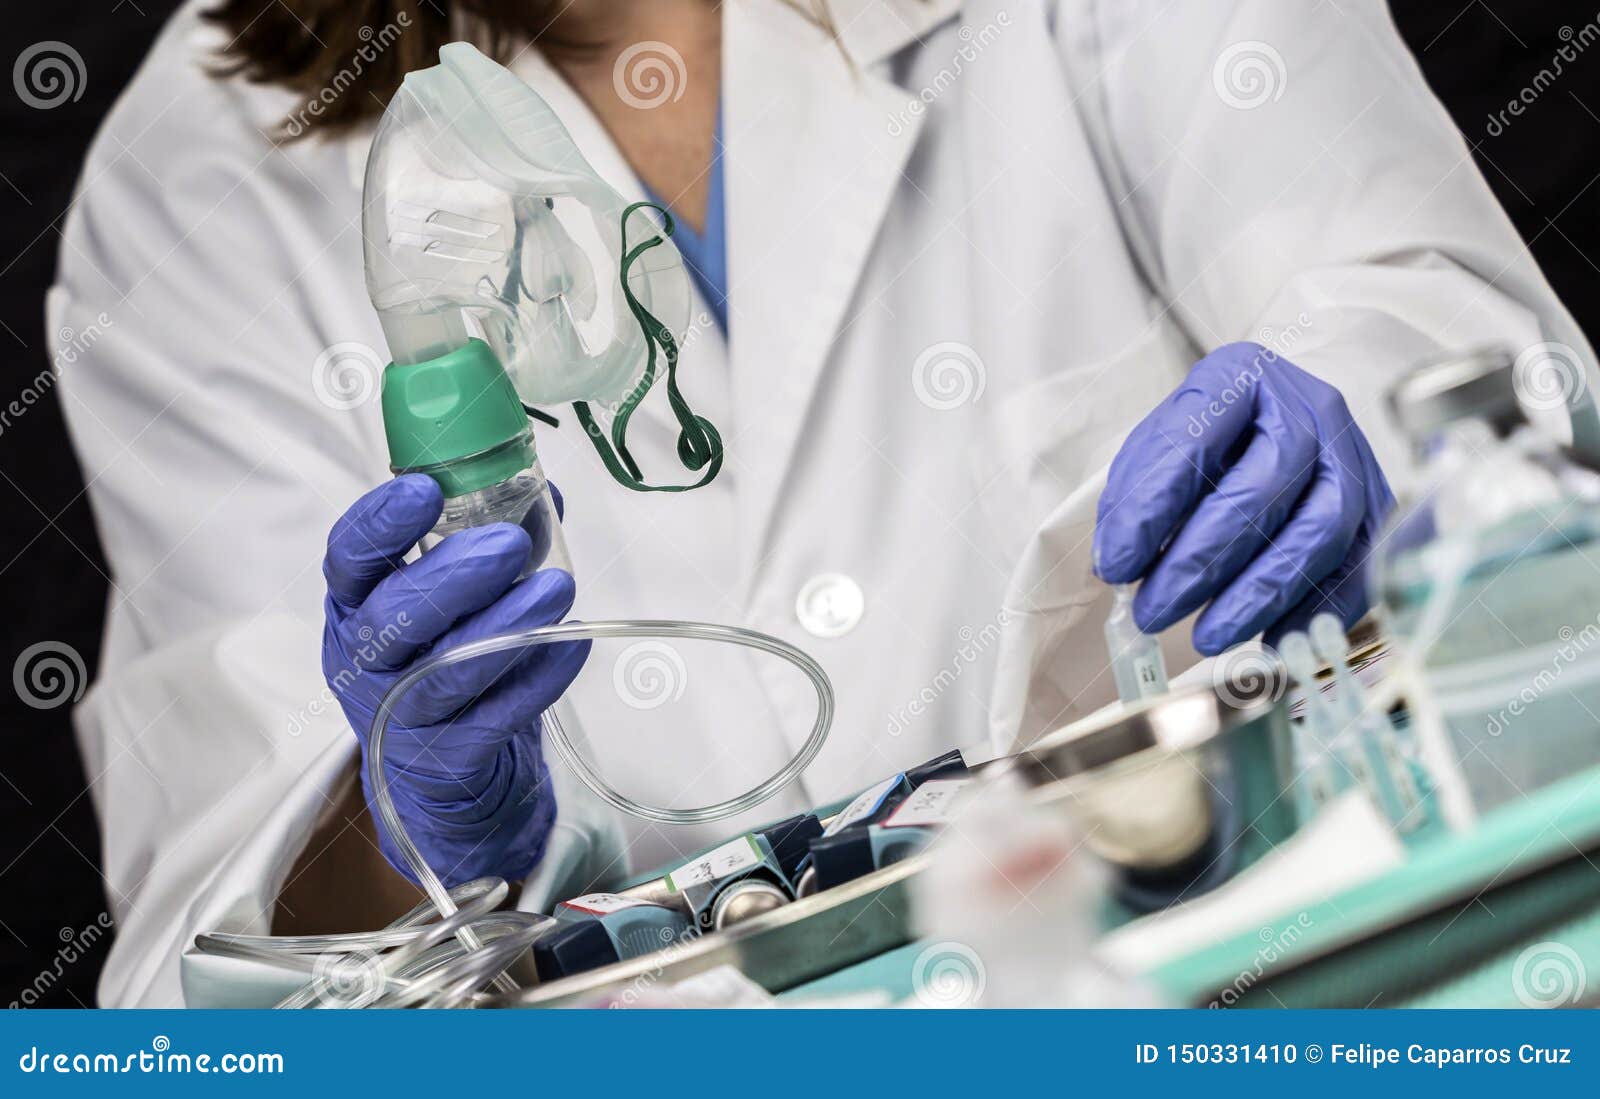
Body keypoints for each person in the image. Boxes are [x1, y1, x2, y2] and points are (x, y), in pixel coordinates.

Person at [50, 0, 1591, 1006]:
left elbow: (1440, 319)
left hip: (1265, 977)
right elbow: (222, 952)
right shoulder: (200, 170)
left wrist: (1380, 435)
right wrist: (403, 821)